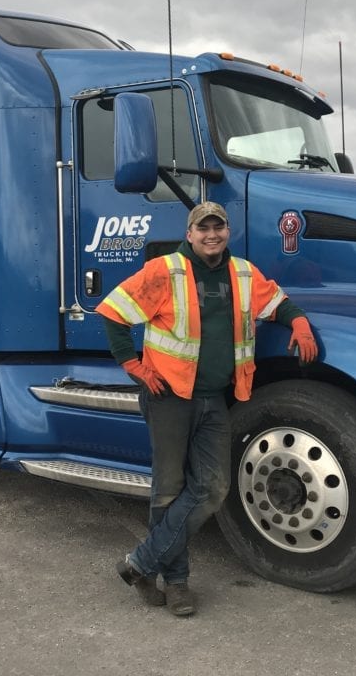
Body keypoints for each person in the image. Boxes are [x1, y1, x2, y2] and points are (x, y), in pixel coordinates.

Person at [96, 201, 318, 616]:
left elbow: (279, 303)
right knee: (168, 491)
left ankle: (142, 564)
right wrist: (133, 365)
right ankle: (176, 583)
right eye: (204, 228)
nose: (212, 234)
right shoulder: (166, 270)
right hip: (168, 398)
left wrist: (299, 322)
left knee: (214, 488)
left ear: (227, 231)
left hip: (214, 399)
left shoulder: (244, 274)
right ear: (191, 232)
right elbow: (113, 311)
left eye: (219, 227)